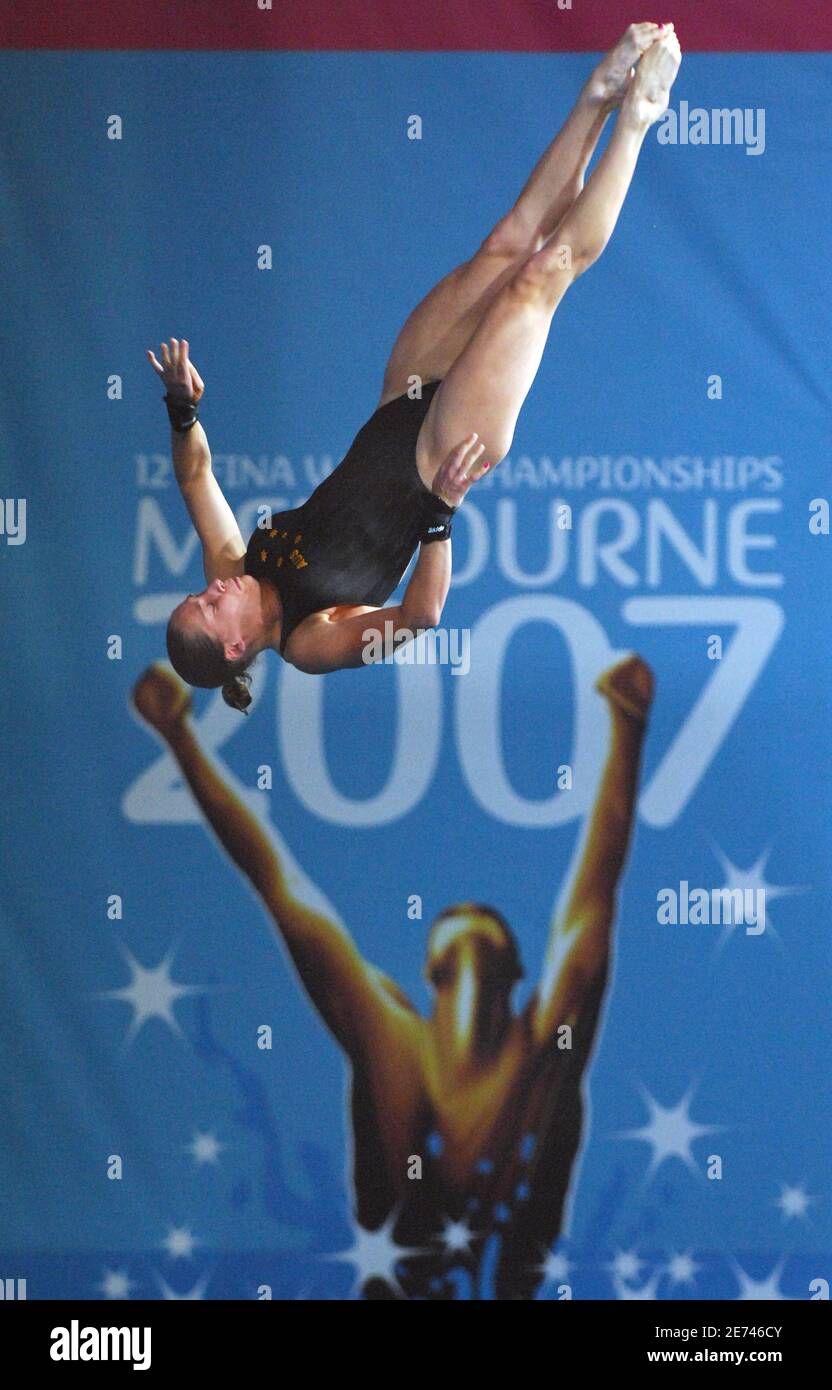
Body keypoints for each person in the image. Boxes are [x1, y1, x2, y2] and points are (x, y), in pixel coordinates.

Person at [148, 24, 681, 711]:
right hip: (440, 456)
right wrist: (441, 514)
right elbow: (418, 619)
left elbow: (195, 474)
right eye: (209, 607)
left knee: (508, 244)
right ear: (233, 649)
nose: (211, 587)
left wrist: (182, 408)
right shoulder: (310, 643)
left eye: (200, 593)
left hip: (395, 404)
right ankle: (639, 119)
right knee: (541, 278)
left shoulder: (236, 566)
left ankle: (599, 98)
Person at [132, 653, 654, 1299]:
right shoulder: (393, 1043)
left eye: (480, 930)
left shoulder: (542, 1050)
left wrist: (627, 724)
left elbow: (591, 905)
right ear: (430, 973)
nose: (467, 930)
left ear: (517, 970)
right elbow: (279, 883)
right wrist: (179, 735)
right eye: (455, 935)